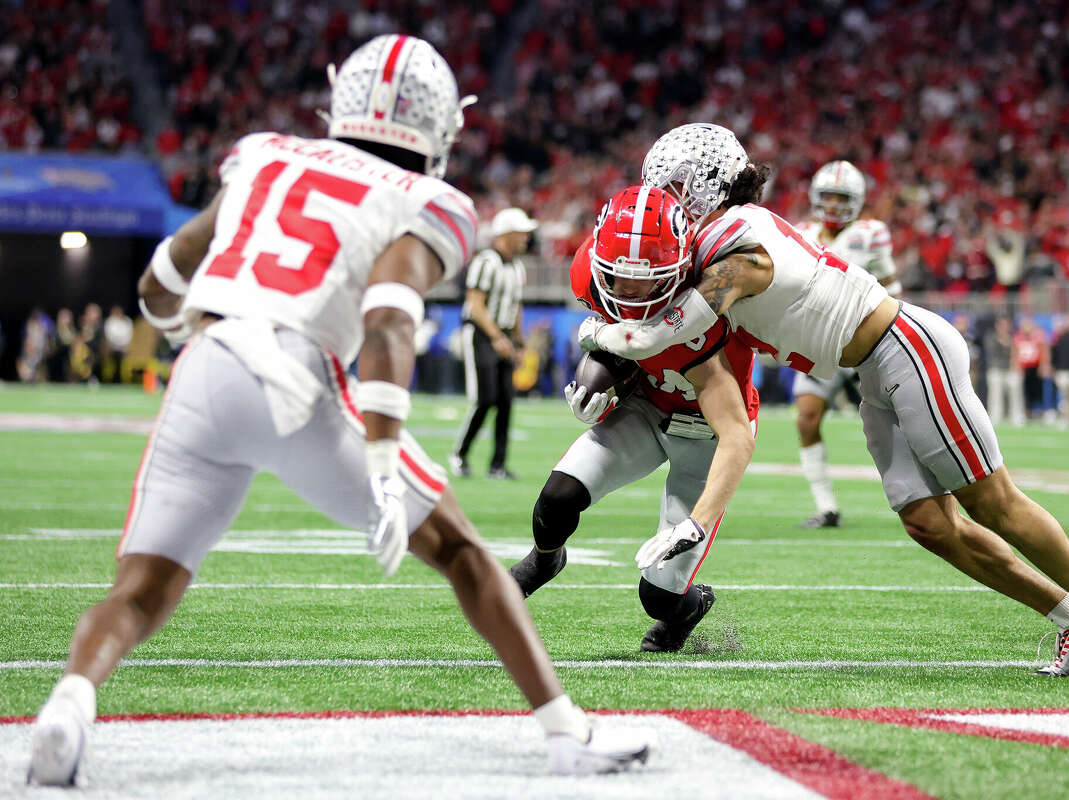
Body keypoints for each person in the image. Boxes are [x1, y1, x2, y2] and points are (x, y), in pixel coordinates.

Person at [26, 35, 653, 788]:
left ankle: (69, 704)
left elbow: (162, 282)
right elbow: (390, 317)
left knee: (140, 589)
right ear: (440, 125)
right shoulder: (430, 199)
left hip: (205, 366)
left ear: (341, 98)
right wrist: (384, 464)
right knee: (459, 551)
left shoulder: (265, 154)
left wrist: (193, 333)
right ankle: (565, 732)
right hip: (297, 379)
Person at [580, 122, 1069, 679]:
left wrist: (595, 335)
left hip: (905, 348)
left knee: (993, 502)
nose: (666, 200)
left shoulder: (734, 240)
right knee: (929, 524)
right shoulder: (717, 234)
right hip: (873, 371)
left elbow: (661, 332)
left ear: (707, 183)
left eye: (676, 187)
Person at [509, 185, 758, 652]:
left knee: (659, 595)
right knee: (557, 499)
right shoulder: (589, 276)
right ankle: (545, 561)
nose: (630, 292)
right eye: (617, 278)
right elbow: (624, 352)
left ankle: (689, 608)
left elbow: (736, 435)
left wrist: (697, 522)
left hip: (706, 435)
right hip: (647, 407)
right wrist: (607, 387)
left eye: (647, 279)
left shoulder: (702, 314)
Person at [788, 160, 901, 528]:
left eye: (841, 197)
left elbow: (891, 286)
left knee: (895, 425)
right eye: (828, 197)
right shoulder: (801, 232)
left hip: (866, 343)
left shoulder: (871, 232)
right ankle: (827, 507)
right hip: (820, 344)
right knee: (806, 419)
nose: (834, 205)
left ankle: (920, 497)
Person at [449, 207, 536, 480]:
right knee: (484, 399)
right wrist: (496, 337)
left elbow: (516, 307)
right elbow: (475, 304)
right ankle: (459, 455)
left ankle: (497, 465)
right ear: (506, 234)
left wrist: (519, 343)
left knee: (506, 402)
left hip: (504, 336)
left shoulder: (517, 267)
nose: (525, 238)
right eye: (521, 232)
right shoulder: (486, 261)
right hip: (481, 334)